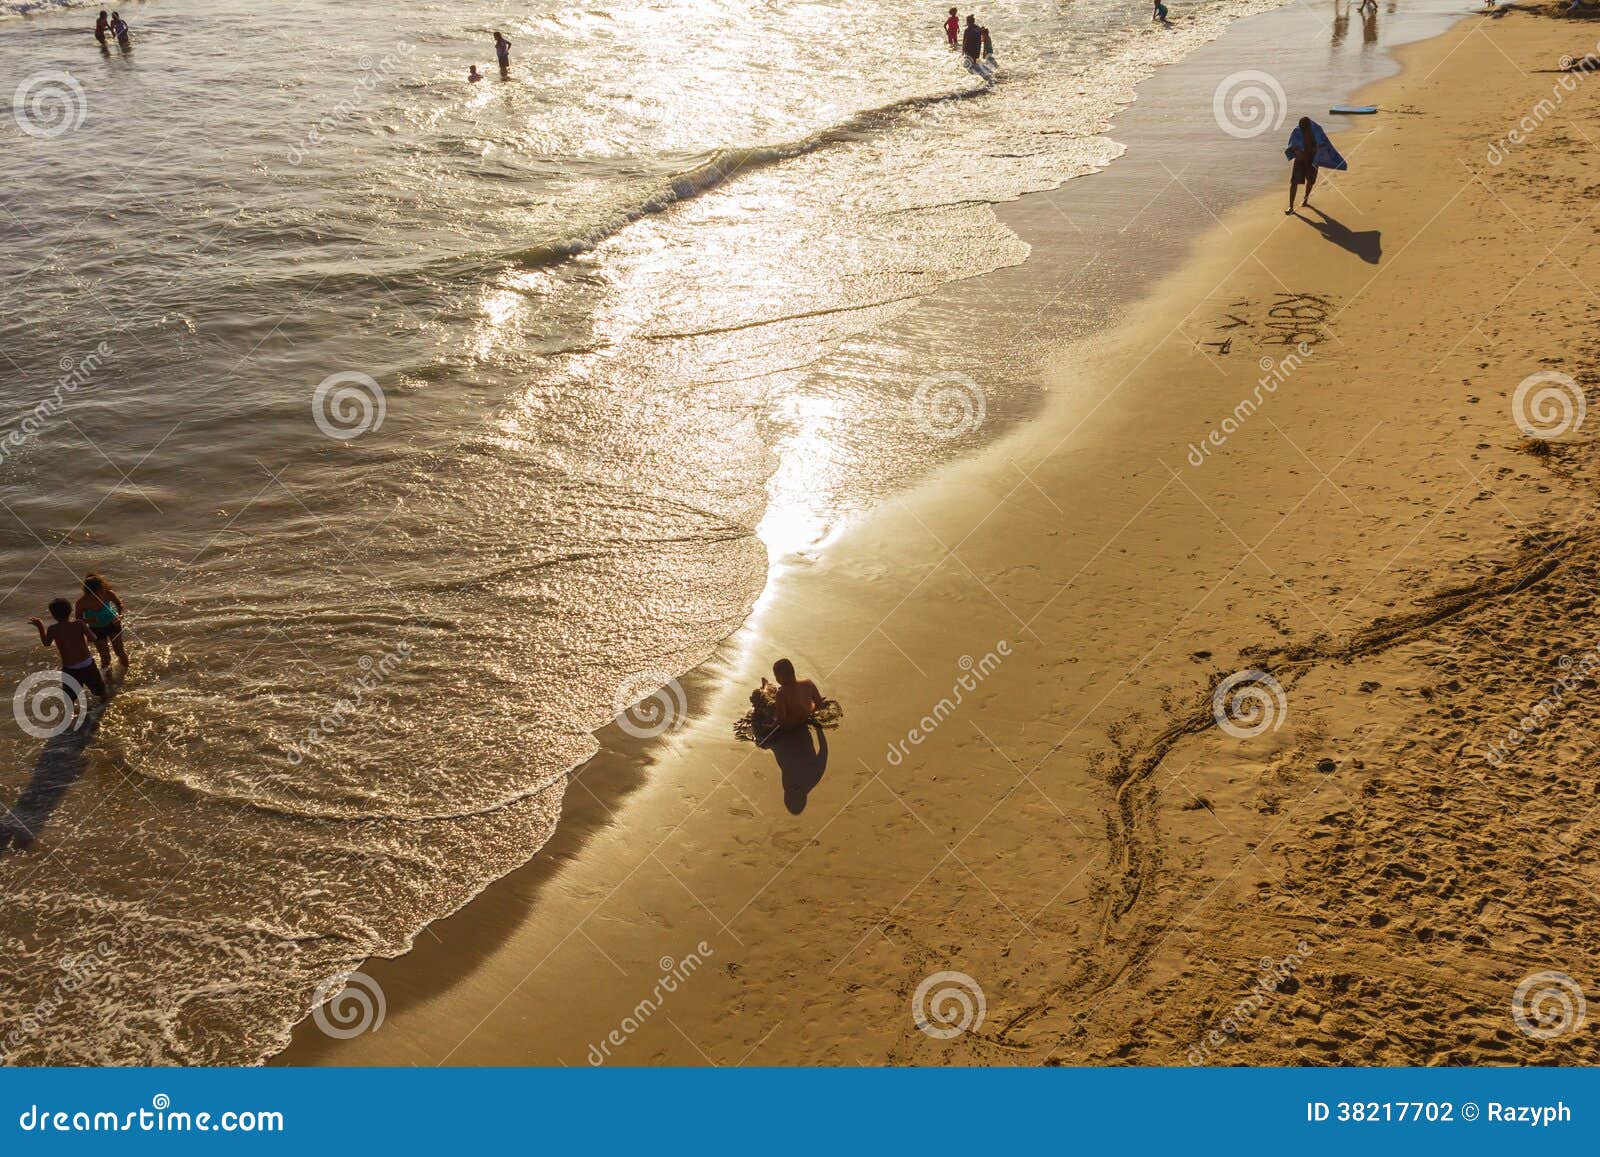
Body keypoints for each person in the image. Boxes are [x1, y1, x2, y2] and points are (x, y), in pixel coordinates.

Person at [28, 599, 106, 710]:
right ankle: (103, 708)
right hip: (87, 665)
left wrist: (40, 626)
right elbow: (92, 638)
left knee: (69, 698)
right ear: (70, 611)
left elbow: (46, 643)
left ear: (53, 615)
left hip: (70, 669)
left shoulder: (53, 629)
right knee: (100, 691)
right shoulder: (79, 623)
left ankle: (72, 718)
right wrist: (86, 625)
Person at [75, 573, 127, 669]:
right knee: (105, 657)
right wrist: (88, 620)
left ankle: (126, 674)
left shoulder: (108, 593)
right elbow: (78, 619)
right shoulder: (82, 602)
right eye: (97, 592)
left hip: (113, 624)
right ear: (89, 591)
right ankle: (108, 681)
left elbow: (119, 604)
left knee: (119, 651)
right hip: (96, 629)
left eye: (102, 589)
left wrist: (120, 615)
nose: (101, 593)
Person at [770, 658, 824, 732]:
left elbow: (781, 719)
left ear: (780, 677)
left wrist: (771, 726)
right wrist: (810, 710)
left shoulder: (780, 694)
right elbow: (819, 703)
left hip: (789, 726)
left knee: (768, 708)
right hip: (805, 718)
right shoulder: (808, 683)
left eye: (775, 676)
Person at [1285, 115, 1319, 213]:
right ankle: (1291, 207)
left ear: (1309, 126)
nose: (1303, 130)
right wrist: (1297, 152)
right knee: (1294, 183)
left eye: (1305, 128)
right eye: (1302, 128)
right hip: (1300, 160)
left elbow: (1320, 145)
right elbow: (1292, 145)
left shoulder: (1315, 132)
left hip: (1312, 159)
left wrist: (1315, 149)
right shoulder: (1297, 131)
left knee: (1310, 181)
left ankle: (1305, 198)